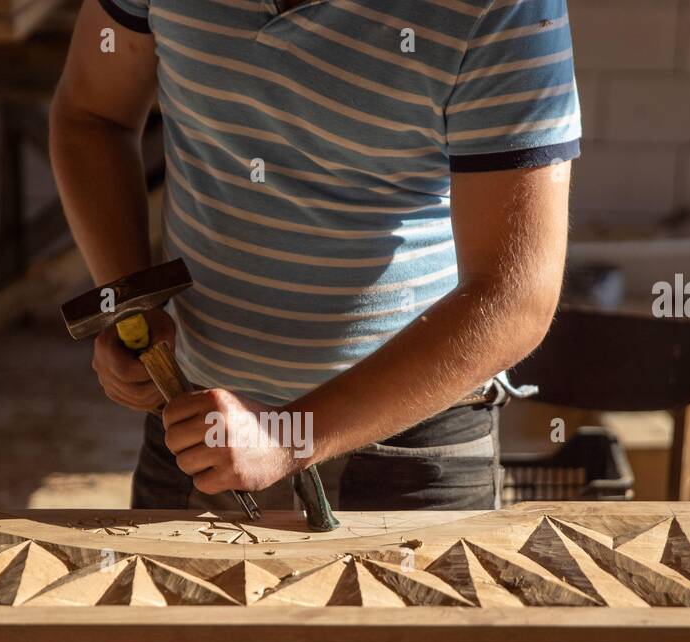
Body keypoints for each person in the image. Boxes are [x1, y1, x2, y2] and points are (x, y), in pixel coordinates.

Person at [50, 0, 580, 512]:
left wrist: (288, 437)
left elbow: (514, 298)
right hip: (199, 424)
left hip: (411, 453)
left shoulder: (503, 6)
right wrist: (130, 302)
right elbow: (93, 115)